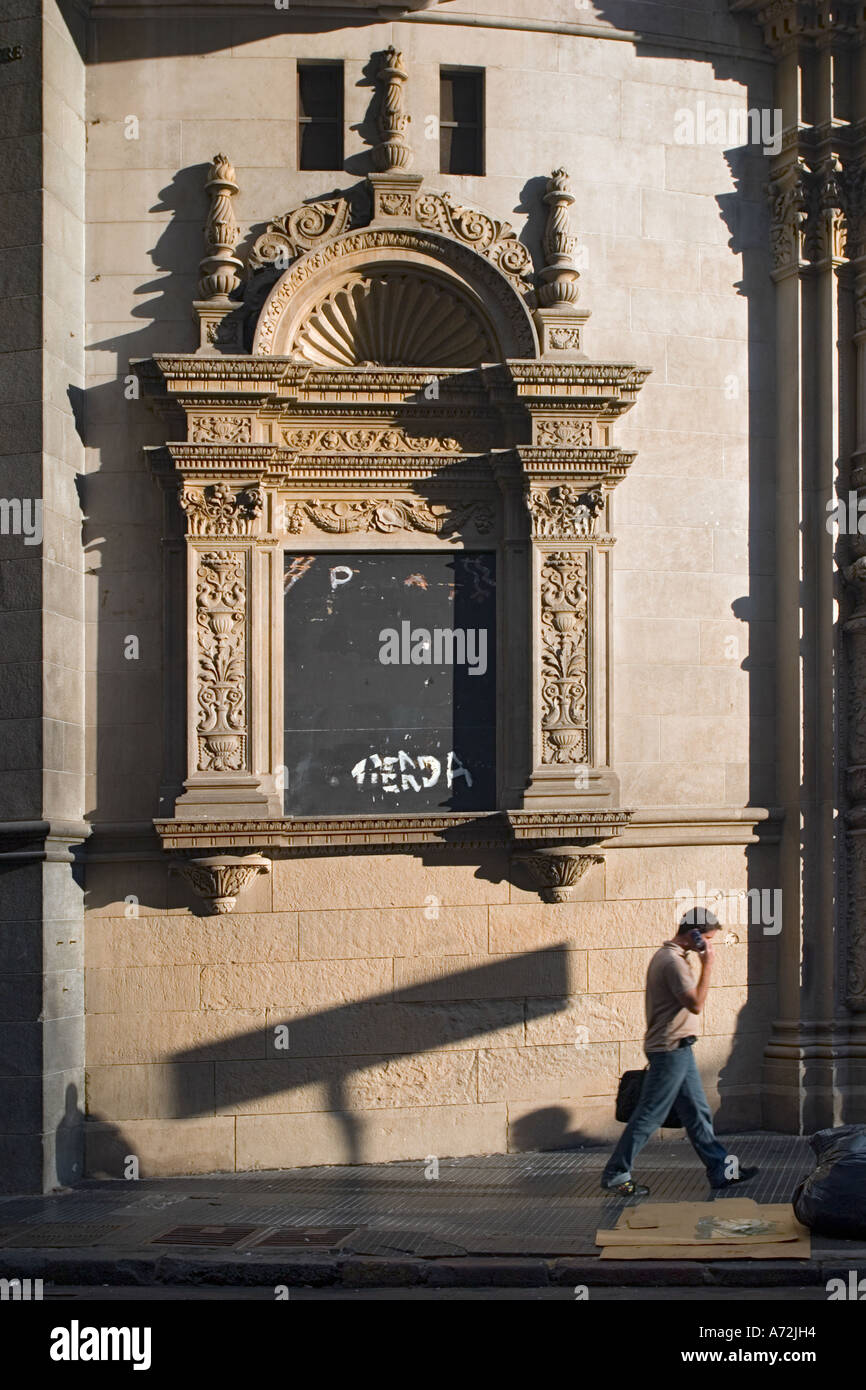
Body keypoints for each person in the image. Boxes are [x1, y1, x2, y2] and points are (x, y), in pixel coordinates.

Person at [601, 907, 759, 1199]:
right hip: (669, 1049)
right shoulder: (672, 962)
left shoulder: (673, 957)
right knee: (649, 1116)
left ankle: (722, 1169)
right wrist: (707, 964)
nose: (709, 946)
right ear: (693, 935)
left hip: (678, 1047)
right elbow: (696, 1003)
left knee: (697, 1114)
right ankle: (616, 1173)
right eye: (707, 940)